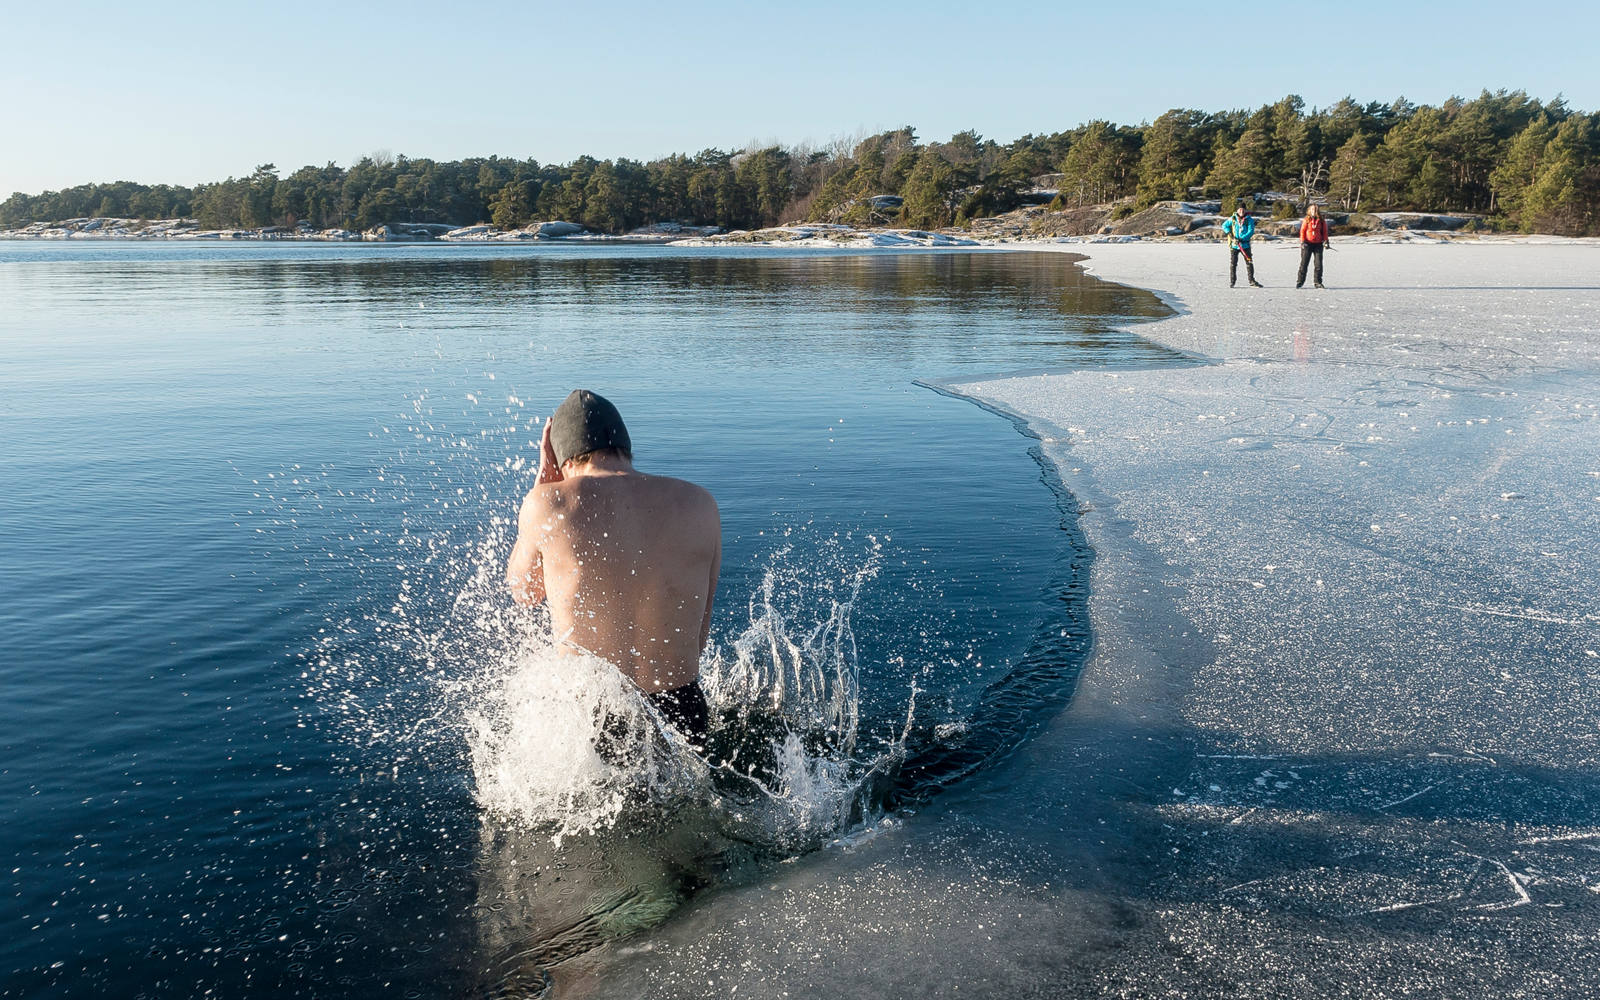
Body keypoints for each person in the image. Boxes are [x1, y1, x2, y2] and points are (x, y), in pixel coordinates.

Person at [506, 389, 722, 746]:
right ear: (626, 447)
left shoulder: (548, 502)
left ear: (562, 460)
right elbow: (698, 640)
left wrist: (543, 482)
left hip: (594, 716)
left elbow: (525, 592)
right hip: (684, 710)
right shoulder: (701, 503)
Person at [1221, 201, 1263, 287]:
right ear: (1237, 210)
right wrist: (1230, 234)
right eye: (1240, 209)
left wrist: (1241, 238)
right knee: (1233, 264)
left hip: (1245, 246)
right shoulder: (1232, 218)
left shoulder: (1249, 220)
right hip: (1234, 246)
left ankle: (1251, 280)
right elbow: (1224, 225)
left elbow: (1250, 231)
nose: (1241, 211)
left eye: (1243, 209)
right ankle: (1232, 281)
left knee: (1249, 263)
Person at [1297, 203, 1329, 289]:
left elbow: (1325, 232)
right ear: (1309, 210)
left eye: (1315, 209)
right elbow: (1302, 231)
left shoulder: (1321, 220)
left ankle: (1318, 282)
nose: (1313, 211)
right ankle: (1300, 281)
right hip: (1307, 244)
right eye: (1312, 209)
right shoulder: (1306, 219)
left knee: (1318, 265)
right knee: (1304, 264)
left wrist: (1326, 241)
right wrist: (1303, 241)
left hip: (1318, 244)